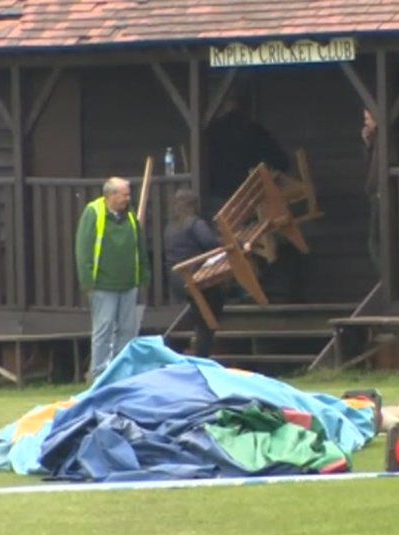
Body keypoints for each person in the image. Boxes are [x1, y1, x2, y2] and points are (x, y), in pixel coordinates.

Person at [75, 177, 151, 381]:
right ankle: (100, 375)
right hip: (102, 284)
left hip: (129, 283)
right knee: (104, 329)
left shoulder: (131, 215)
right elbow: (83, 249)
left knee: (127, 330)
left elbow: (140, 246)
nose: (128, 198)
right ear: (112, 195)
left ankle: (120, 373)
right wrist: (87, 281)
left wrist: (144, 275)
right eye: (125, 194)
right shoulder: (93, 212)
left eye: (128, 194)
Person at [206, 94, 290, 218]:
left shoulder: (210, 132)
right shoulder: (254, 130)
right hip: (250, 199)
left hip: (219, 200)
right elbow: (282, 162)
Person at [163, 188, 224, 358]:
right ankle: (202, 354)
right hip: (193, 276)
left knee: (200, 311)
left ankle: (184, 346)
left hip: (177, 279)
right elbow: (210, 243)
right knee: (210, 311)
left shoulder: (170, 227)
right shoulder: (194, 223)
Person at [361, 108, 380, 273]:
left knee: (375, 242)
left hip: (381, 195)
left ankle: (386, 276)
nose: (365, 122)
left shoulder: (386, 140)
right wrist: (368, 144)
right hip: (375, 194)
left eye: (368, 118)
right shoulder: (376, 141)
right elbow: (369, 166)